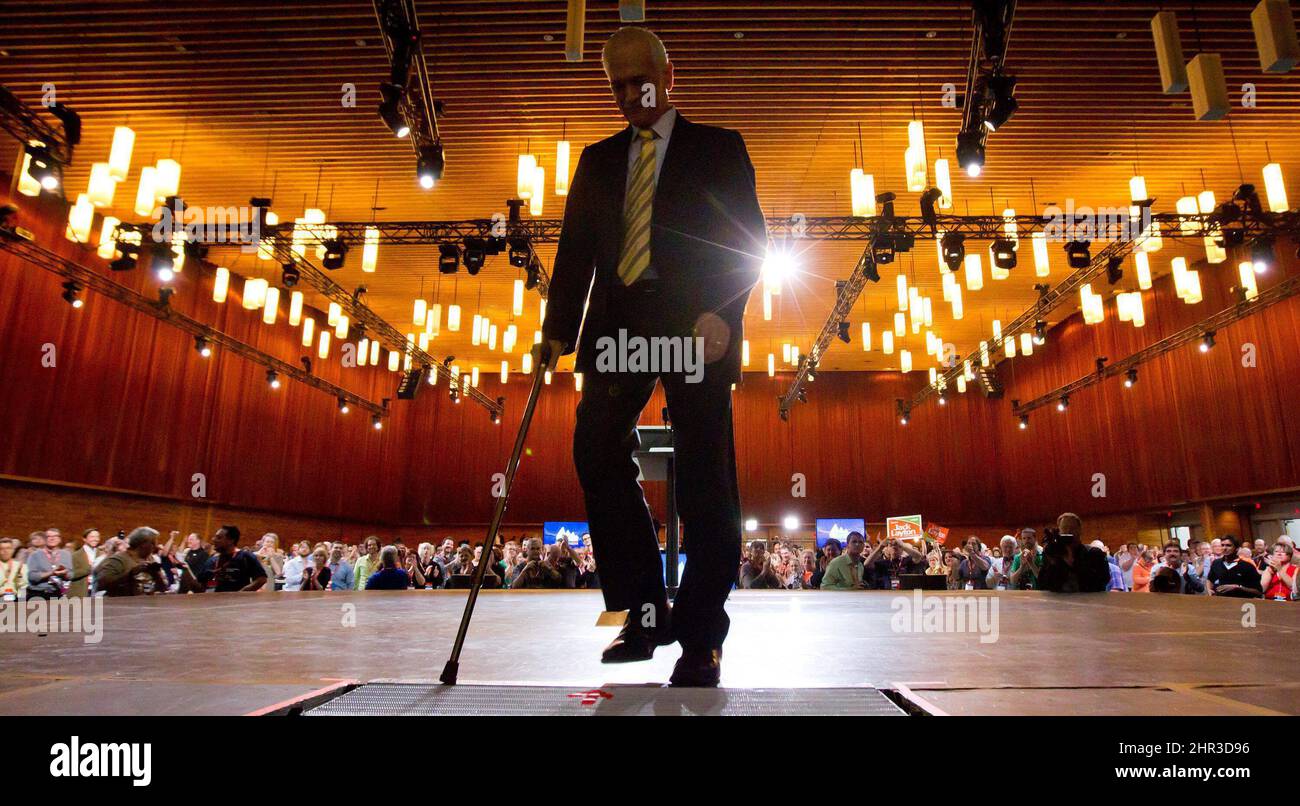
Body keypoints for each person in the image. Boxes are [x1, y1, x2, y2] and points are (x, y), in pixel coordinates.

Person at [538, 26, 766, 687]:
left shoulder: (718, 148)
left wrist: (724, 314)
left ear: (669, 76)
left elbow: (748, 240)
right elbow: (575, 254)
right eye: (616, 86)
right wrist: (557, 331)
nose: (628, 94)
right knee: (594, 451)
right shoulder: (597, 161)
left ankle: (701, 637)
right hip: (618, 328)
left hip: (697, 326)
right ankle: (640, 615)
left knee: (705, 478)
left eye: (639, 80)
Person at [1036, 514, 1111, 593]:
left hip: (1088, 599)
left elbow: (1101, 581)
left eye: (1072, 528)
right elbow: (1043, 585)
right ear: (1059, 531)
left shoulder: (1094, 554)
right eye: (1064, 528)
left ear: (1080, 530)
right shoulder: (1054, 555)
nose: (1068, 531)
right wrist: (1053, 564)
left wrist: (1073, 564)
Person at [197, 525, 268, 592]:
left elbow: (262, 579)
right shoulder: (212, 560)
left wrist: (242, 593)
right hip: (213, 599)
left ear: (231, 540)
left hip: (237, 600)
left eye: (219, 538)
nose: (213, 539)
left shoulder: (245, 557)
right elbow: (200, 585)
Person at [25, 529, 71, 600]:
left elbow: (72, 574)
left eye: (55, 536)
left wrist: (65, 574)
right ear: (44, 539)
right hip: (39, 593)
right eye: (49, 536)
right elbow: (32, 577)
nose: (52, 538)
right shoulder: (35, 555)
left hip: (59, 593)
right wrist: (51, 573)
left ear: (60, 539)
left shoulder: (66, 554)